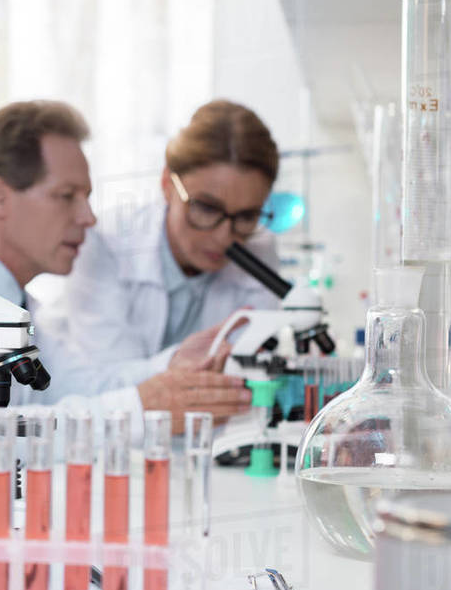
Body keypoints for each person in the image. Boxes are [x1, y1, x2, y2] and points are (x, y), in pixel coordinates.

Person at [0, 100, 252, 436]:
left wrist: (173, 364)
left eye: (87, 198)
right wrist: (140, 410)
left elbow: (82, 386)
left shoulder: (12, 306)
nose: (89, 218)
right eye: (66, 197)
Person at [35, 99, 283, 381]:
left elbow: (243, 373)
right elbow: (109, 378)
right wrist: (180, 365)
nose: (225, 237)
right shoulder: (104, 243)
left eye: (247, 216)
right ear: (167, 184)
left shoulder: (259, 250)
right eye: (206, 208)